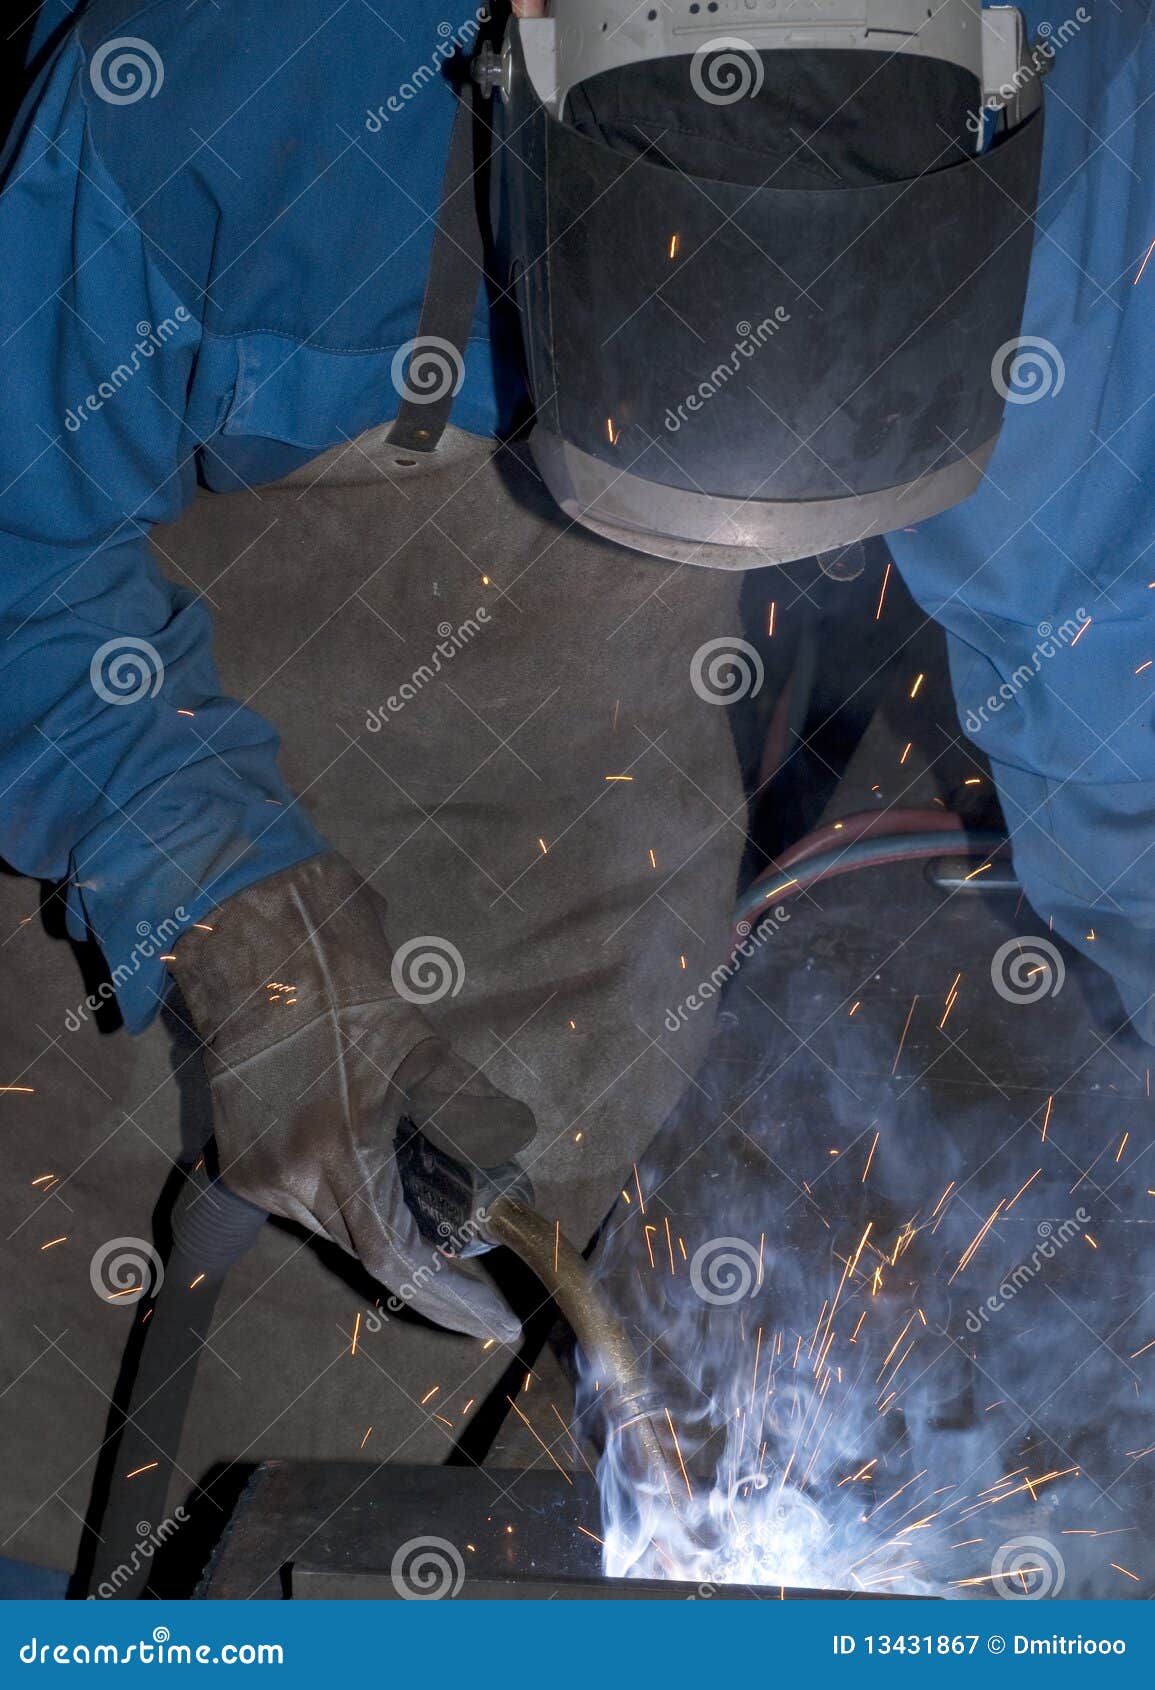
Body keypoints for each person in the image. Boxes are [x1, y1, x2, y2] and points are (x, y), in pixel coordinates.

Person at [0, 0, 1152, 1565]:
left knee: (376, 1477)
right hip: (140, 637)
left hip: (580, 747)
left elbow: (1131, 736)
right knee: (39, 1360)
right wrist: (214, 892)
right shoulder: (226, 86)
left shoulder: (1091, 151)